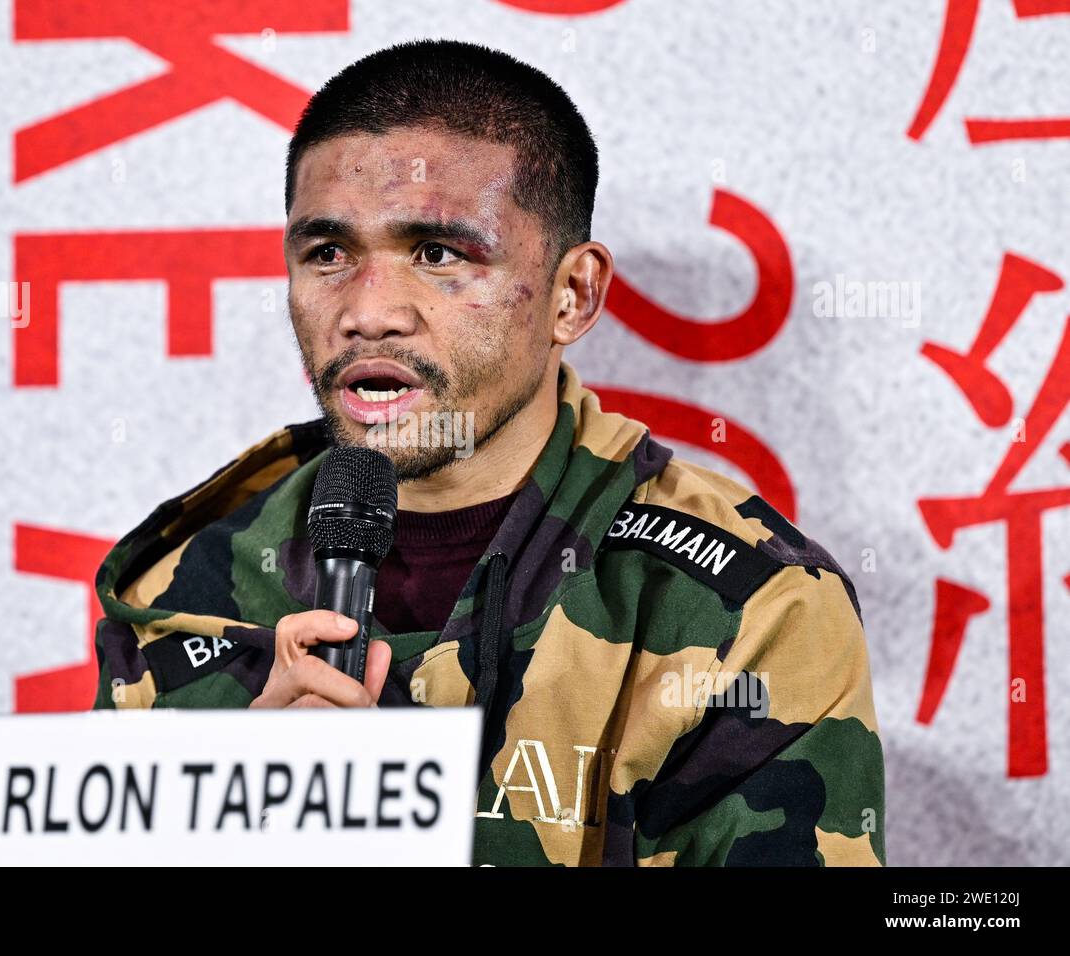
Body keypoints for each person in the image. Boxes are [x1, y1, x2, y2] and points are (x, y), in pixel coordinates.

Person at [91, 39, 885, 866]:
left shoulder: (748, 609)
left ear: (571, 295)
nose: (369, 314)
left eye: (437, 255)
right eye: (327, 254)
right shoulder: (181, 593)